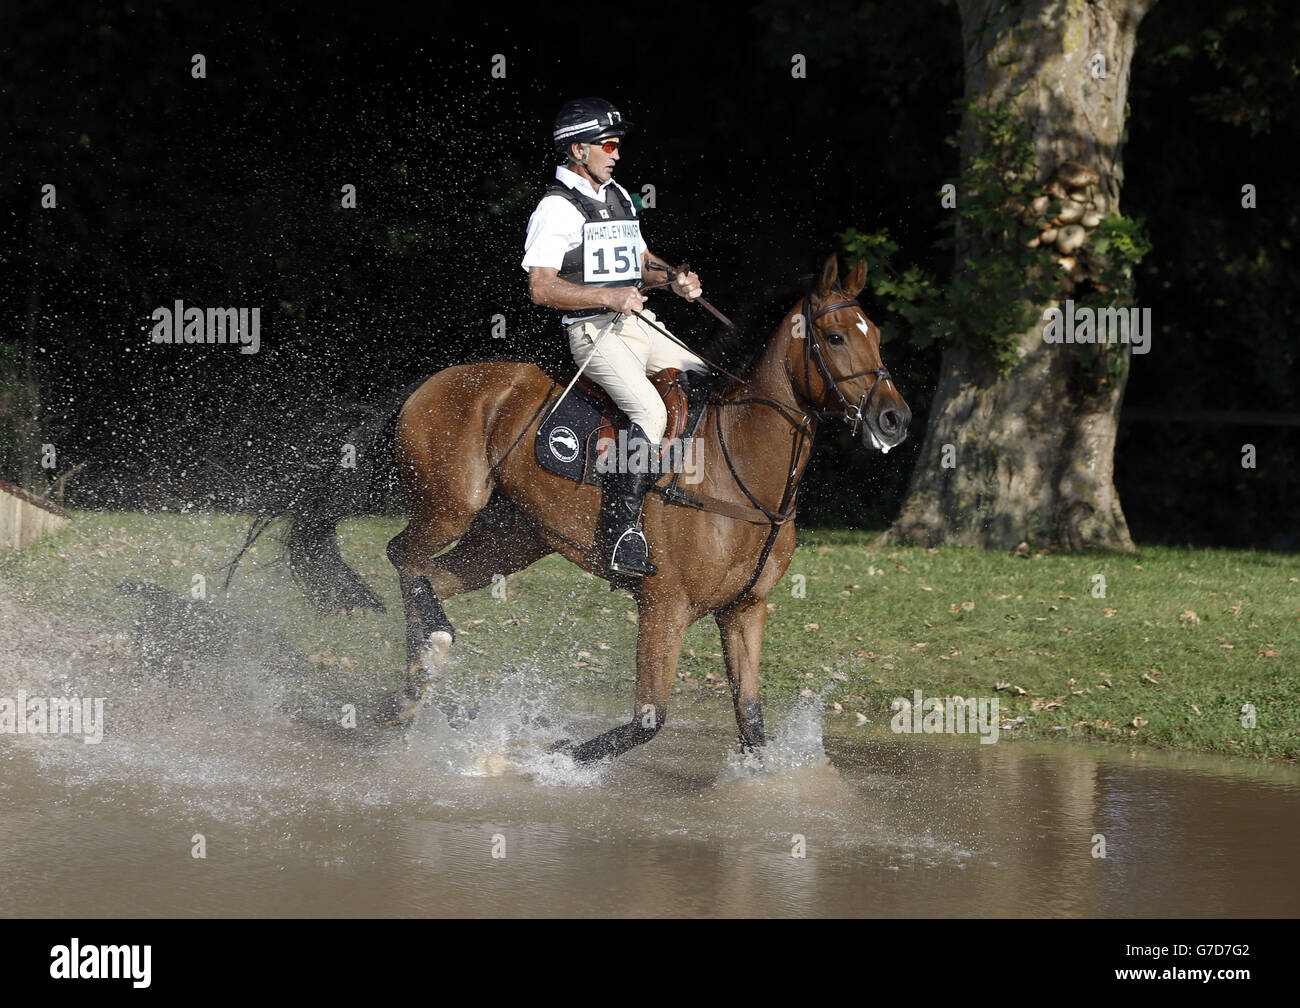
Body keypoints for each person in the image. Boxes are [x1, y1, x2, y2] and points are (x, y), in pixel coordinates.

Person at [522, 97, 707, 578]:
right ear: (577, 149)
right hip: (593, 332)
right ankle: (621, 533)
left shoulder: (621, 196)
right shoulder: (555, 208)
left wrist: (676, 279)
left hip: (635, 324)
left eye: (617, 144)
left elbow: (644, 264)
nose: (616, 153)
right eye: (608, 144)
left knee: (705, 377)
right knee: (649, 410)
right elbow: (541, 287)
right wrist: (608, 296)